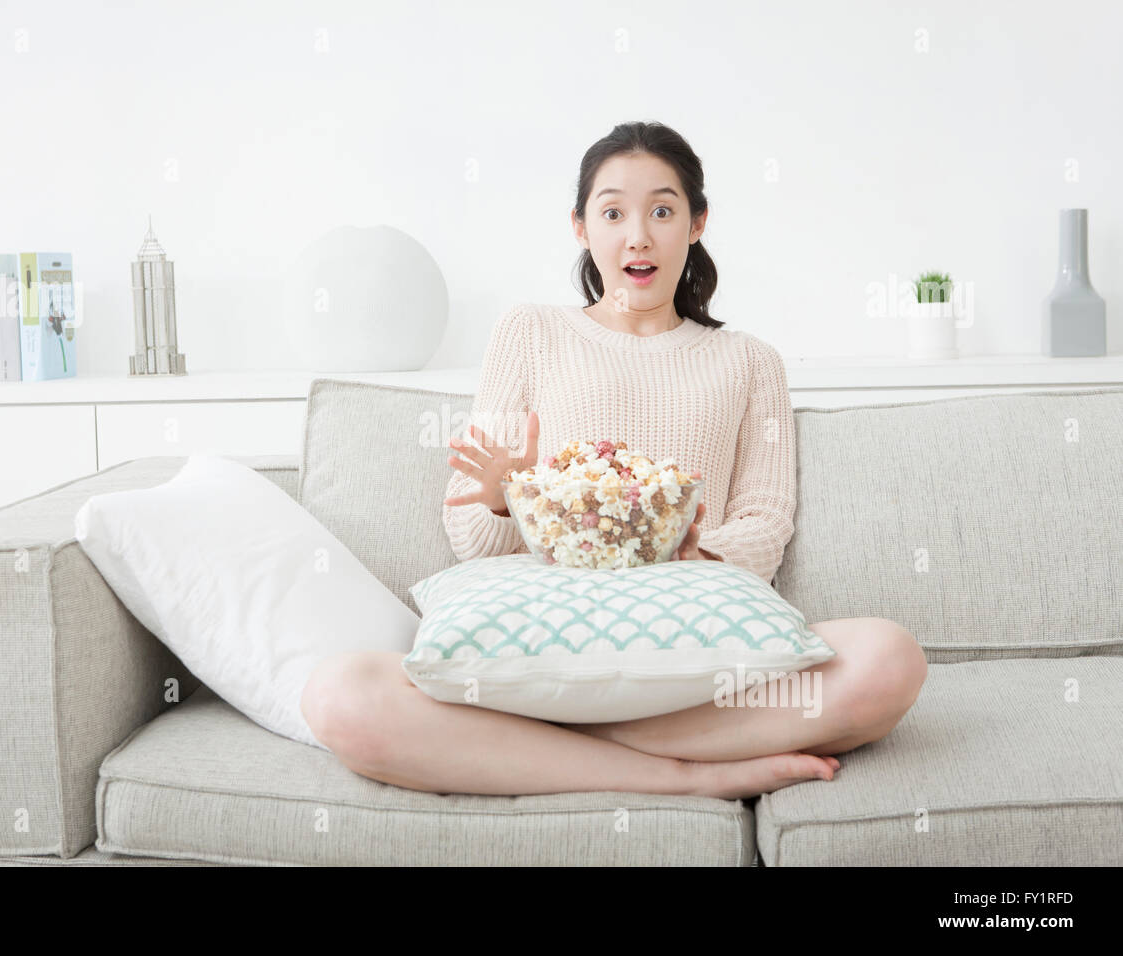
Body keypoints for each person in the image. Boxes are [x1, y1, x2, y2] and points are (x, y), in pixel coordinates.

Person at [300, 121, 926, 799]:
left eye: (662, 210)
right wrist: (500, 497)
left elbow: (765, 522)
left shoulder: (749, 362)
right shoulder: (531, 332)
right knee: (340, 694)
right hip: (540, 651)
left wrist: (694, 552)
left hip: (697, 655)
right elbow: (476, 545)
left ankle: (538, 744)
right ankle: (680, 776)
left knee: (888, 660)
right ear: (580, 227)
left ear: (697, 223)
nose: (638, 235)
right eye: (612, 212)